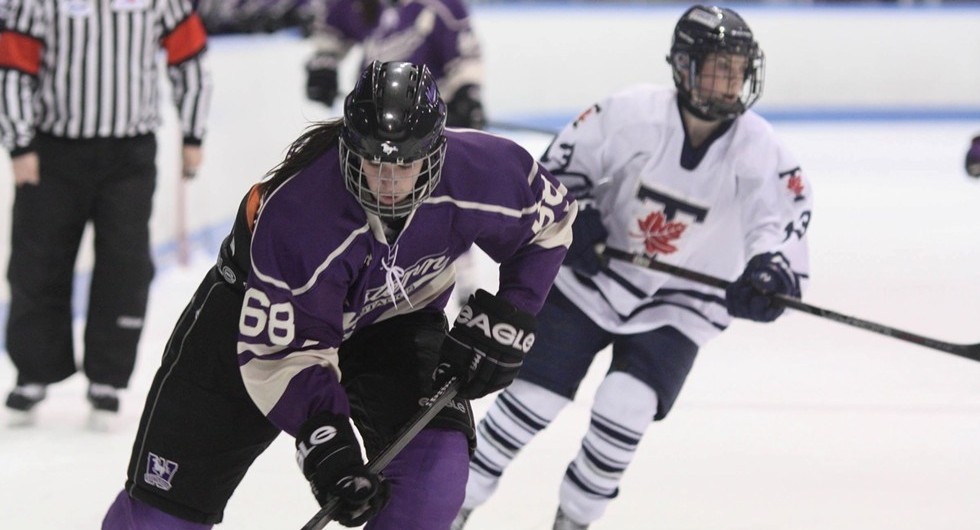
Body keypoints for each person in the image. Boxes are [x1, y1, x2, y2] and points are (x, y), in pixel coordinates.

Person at [101, 60, 575, 529]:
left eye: (404, 165)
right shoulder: (300, 215)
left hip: (394, 320)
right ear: (349, 148)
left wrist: (513, 311)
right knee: (160, 517)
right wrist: (327, 445)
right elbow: (285, 352)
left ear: (435, 153)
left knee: (433, 476)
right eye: (374, 162)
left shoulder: (483, 172)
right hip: (259, 320)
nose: (388, 183)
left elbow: (549, 225)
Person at [453, 5, 813, 530]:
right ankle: (452, 507)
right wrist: (575, 220)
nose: (731, 81)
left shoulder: (760, 148)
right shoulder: (627, 114)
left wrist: (769, 274)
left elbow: (781, 223)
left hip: (681, 303)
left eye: (738, 70)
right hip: (589, 283)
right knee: (531, 399)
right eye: (719, 66)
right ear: (684, 67)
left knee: (627, 406)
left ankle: (573, 520)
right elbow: (555, 176)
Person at [0, 0, 212, 428]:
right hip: (53, 150)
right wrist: (19, 143)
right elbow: (13, 64)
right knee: (37, 262)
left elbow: (188, 58)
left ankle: (108, 377)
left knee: (125, 263)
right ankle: (34, 370)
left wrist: (193, 133)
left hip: (129, 153)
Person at [305, 0, 485, 130]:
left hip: (426, 120)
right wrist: (323, 67)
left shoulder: (442, 6)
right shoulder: (360, 5)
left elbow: (465, 57)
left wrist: (466, 96)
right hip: (371, 117)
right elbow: (332, 33)